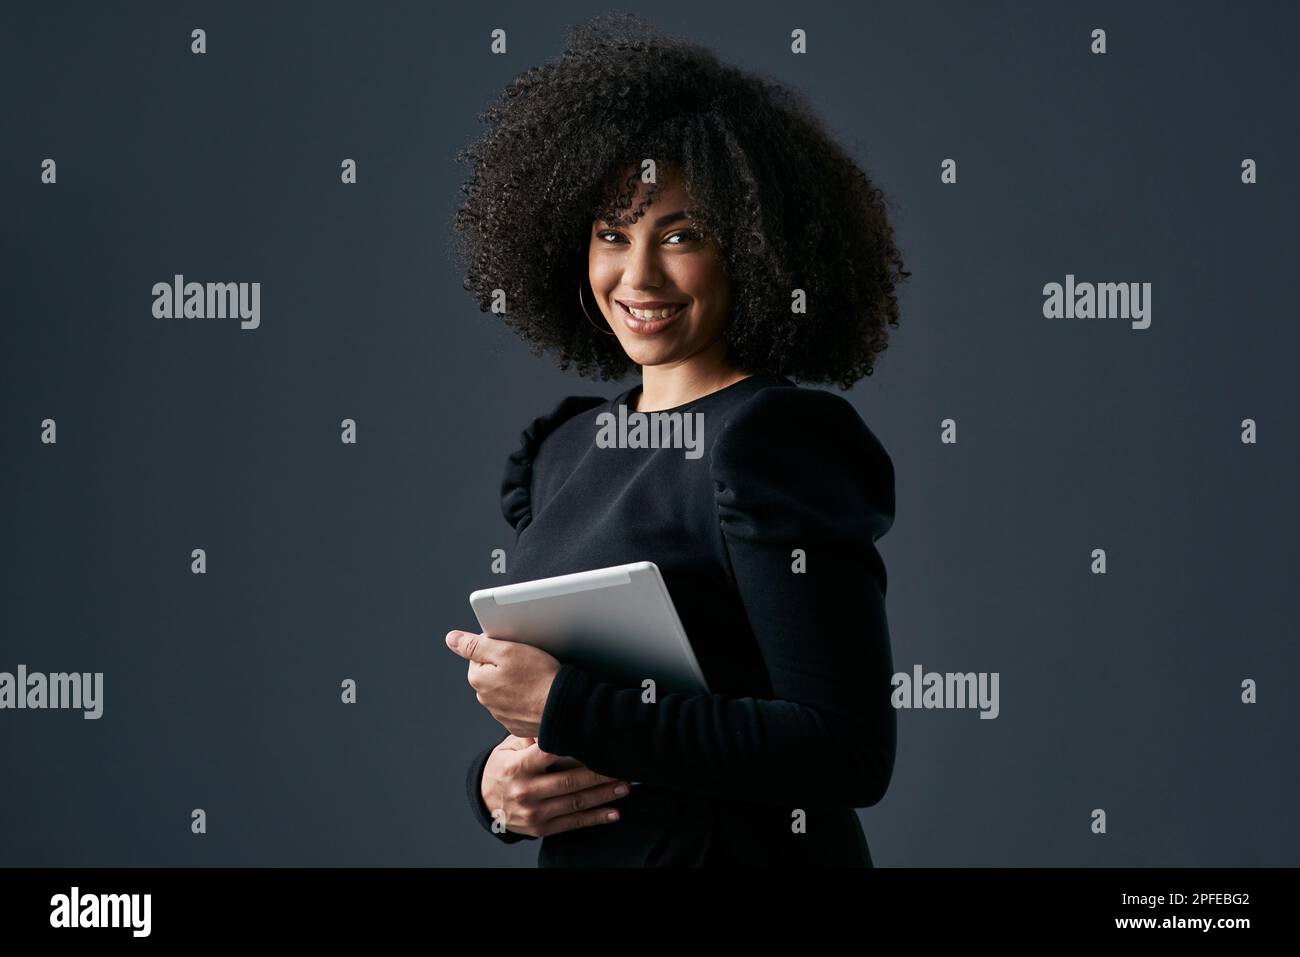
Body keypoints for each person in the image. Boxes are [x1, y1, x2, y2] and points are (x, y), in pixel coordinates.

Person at [444, 12, 910, 866]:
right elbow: (588, 728)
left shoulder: (774, 442)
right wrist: (496, 791)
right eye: (612, 234)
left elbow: (845, 750)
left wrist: (568, 707)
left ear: (758, 251)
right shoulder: (564, 450)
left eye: (682, 235)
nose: (640, 275)